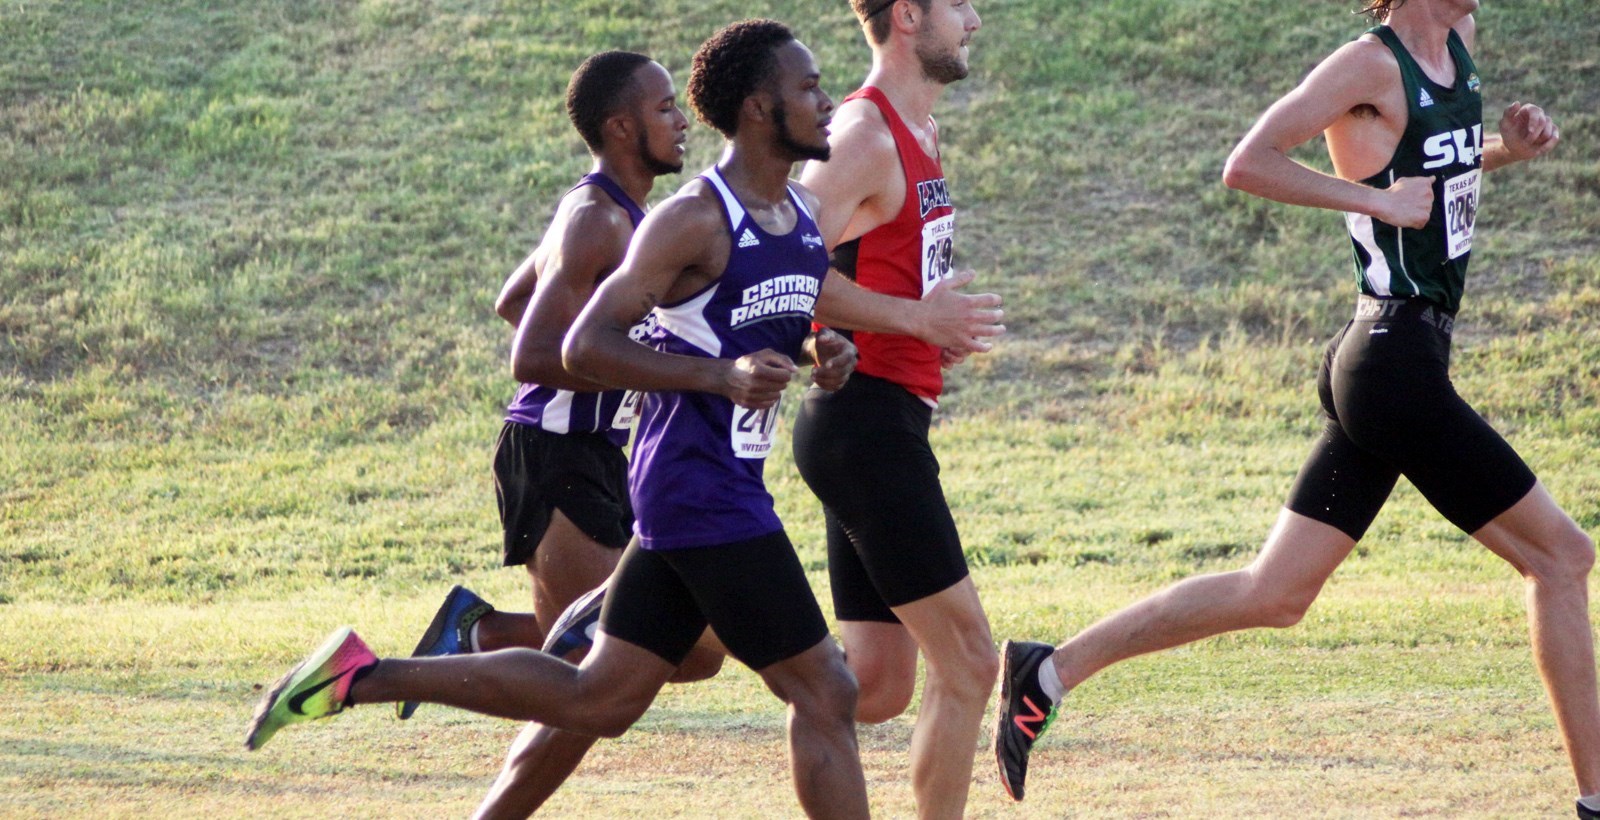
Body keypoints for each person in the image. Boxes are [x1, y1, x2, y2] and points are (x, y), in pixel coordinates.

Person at [246, 20, 873, 818]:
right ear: (758, 108)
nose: (827, 101)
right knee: (827, 689)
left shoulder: (801, 218)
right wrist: (719, 376)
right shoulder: (691, 218)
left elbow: (766, 322)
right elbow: (579, 345)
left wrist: (826, 353)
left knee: (599, 698)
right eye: (809, 88)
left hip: (698, 490)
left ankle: (360, 677)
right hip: (699, 488)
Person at [991, 0, 1592, 813]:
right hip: (1393, 363)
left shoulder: (1459, 41)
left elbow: (1434, 175)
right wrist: (1372, 201)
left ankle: (1047, 670)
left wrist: (1507, 151)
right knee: (1562, 558)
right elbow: (1248, 162)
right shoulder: (1370, 65)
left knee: (1274, 594)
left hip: (1392, 359)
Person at [789, 1, 997, 816]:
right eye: (959, 5)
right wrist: (913, 320)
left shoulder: (920, 131)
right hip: (862, 427)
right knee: (972, 664)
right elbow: (784, 267)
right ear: (909, 14)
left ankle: (661, 625)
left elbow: (875, 265)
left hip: (885, 419)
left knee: (869, 687)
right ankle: (650, 622)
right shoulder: (863, 135)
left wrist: (927, 325)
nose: (974, 20)